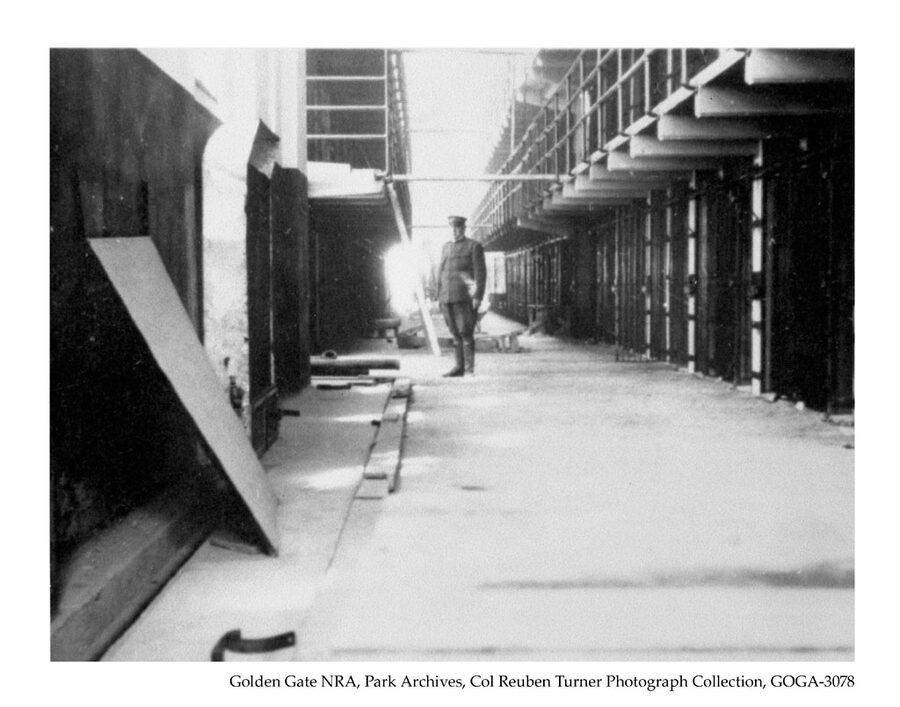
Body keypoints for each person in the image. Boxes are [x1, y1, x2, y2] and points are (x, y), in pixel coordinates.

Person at [436, 215, 486, 377]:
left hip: (464, 298)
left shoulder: (473, 246)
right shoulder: (446, 247)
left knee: (466, 333)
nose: (454, 231)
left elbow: (480, 273)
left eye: (457, 228)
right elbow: (440, 272)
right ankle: (459, 367)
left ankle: (469, 369)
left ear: (463, 228)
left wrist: (477, 296)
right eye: (452, 228)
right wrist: (438, 296)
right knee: (455, 334)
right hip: (447, 297)